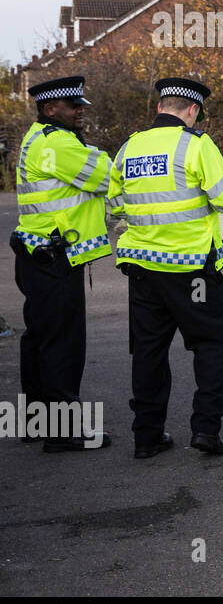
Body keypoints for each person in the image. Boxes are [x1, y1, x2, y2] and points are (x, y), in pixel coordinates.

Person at [108, 78, 223, 458]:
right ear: (193, 110)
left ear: (161, 106)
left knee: (149, 351)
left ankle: (146, 437)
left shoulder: (130, 146)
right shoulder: (196, 144)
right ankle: (205, 431)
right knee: (210, 345)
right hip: (192, 270)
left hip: (143, 270)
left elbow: (116, 204)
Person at [10, 75, 112, 451]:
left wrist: (93, 153)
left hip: (37, 256)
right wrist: (99, 155)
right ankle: (62, 432)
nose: (80, 113)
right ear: (50, 108)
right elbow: (107, 176)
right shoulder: (56, 144)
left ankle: (35, 423)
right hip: (53, 260)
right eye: (73, 107)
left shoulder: (40, 138)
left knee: (39, 340)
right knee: (62, 346)